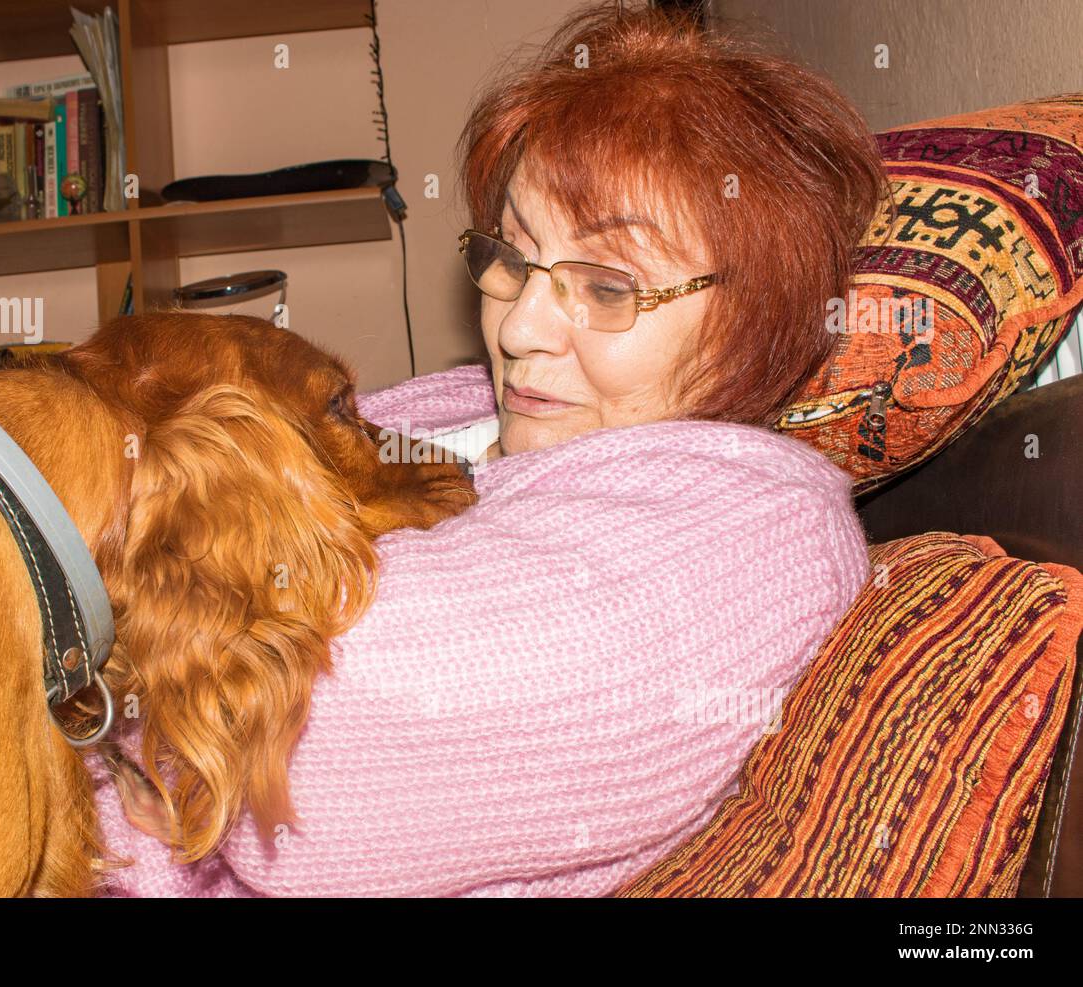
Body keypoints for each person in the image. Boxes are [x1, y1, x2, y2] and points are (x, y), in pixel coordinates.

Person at [92, 1, 885, 896]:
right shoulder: (468, 410)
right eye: (511, 256)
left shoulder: (758, 541)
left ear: (751, 323)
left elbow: (314, 758)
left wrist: (88, 693)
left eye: (607, 285)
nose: (521, 328)